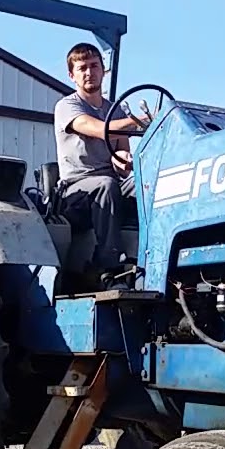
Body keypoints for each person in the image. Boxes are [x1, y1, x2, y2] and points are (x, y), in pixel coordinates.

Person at [53, 42, 148, 287]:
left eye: (94, 66)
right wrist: (139, 121)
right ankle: (108, 266)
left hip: (111, 184)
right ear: (72, 75)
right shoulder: (67, 106)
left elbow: (120, 157)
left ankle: (149, 257)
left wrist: (125, 161)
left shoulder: (114, 110)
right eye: (82, 67)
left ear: (103, 70)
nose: (89, 72)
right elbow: (97, 130)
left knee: (145, 184)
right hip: (75, 192)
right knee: (106, 185)